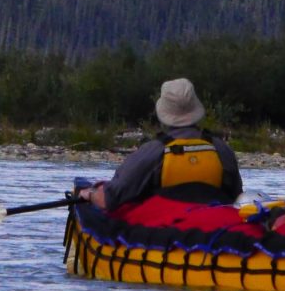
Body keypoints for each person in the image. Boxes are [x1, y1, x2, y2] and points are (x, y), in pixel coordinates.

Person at [76, 77, 242, 215]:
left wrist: (90, 194)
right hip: (216, 229)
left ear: (164, 112)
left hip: (164, 231)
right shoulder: (222, 150)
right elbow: (237, 197)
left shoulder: (152, 152)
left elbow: (109, 199)